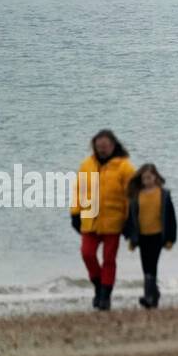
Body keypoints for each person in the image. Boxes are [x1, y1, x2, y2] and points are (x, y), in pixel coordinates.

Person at [70, 129, 136, 311]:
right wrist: (75, 213)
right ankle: (98, 285)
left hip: (113, 221)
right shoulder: (86, 165)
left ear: (113, 145)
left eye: (105, 146)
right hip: (89, 218)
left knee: (109, 259)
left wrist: (131, 219)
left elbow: (132, 195)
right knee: (87, 254)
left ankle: (105, 295)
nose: (102, 150)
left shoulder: (125, 167)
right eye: (98, 147)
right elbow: (78, 191)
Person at [123, 164, 178, 309]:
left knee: (151, 266)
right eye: (144, 177)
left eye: (150, 177)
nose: (147, 179)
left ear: (156, 177)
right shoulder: (136, 195)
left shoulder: (163, 194)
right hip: (142, 236)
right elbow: (131, 218)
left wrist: (171, 238)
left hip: (158, 235)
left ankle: (149, 297)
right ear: (141, 179)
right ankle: (154, 293)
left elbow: (171, 218)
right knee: (145, 266)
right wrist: (130, 237)